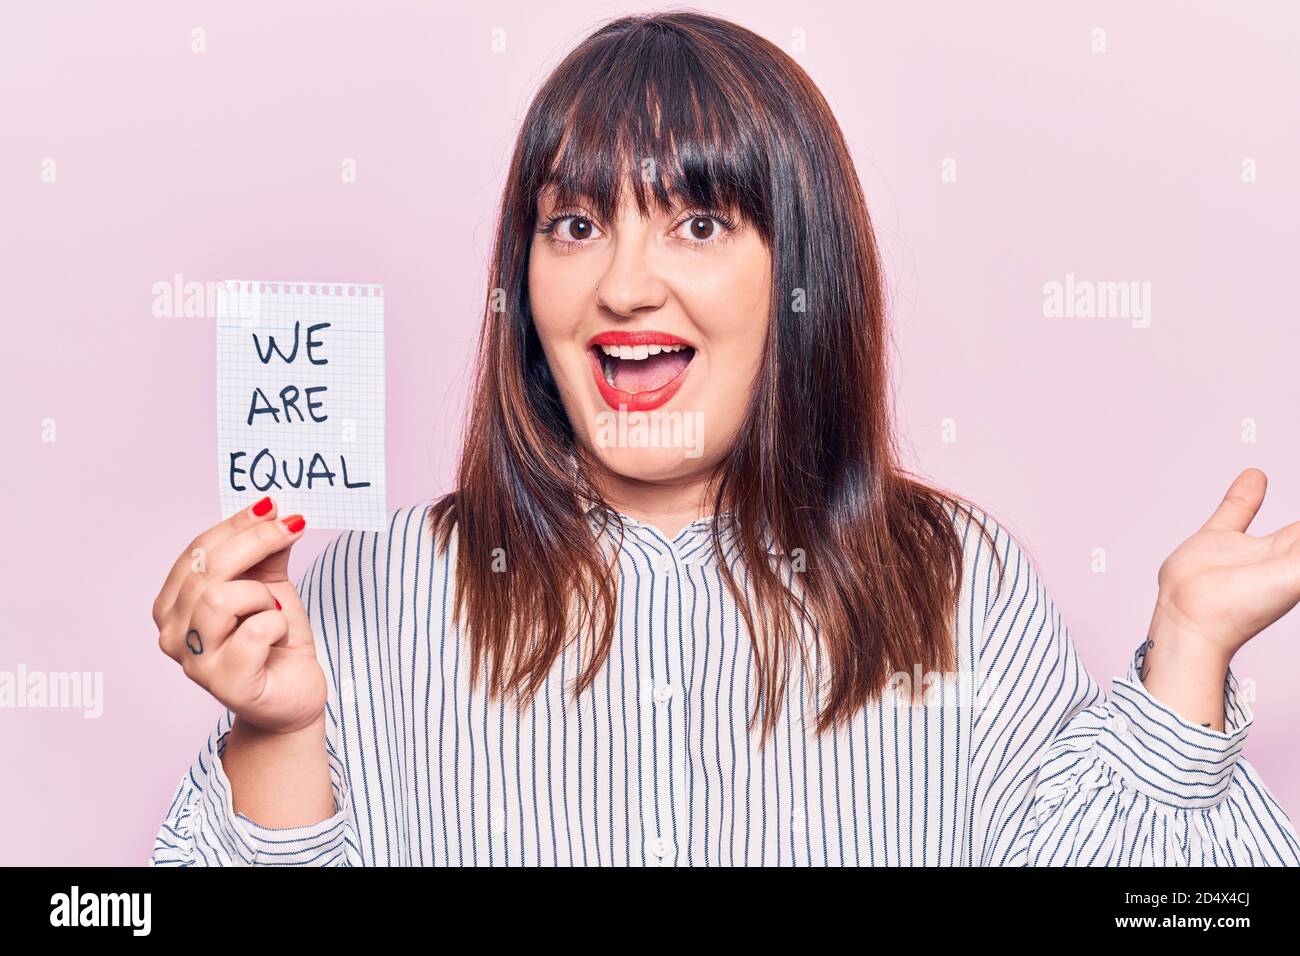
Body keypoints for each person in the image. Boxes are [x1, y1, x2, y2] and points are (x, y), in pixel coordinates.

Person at [149, 11, 1300, 866]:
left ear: (797, 273)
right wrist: (278, 731)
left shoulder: (954, 583)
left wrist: (1187, 656)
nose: (624, 282)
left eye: (697, 222)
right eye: (578, 222)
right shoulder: (376, 590)